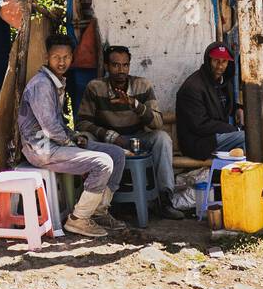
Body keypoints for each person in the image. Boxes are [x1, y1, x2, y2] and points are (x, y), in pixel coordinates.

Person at [18, 34, 128, 237]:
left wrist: (75, 136)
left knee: (116, 154)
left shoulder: (55, 82)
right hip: (42, 149)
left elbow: (58, 123)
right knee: (103, 163)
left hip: (56, 144)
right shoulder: (42, 85)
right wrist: (71, 143)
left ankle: (98, 210)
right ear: (46, 57)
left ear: (72, 58)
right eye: (56, 57)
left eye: (66, 57)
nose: (61, 62)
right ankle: (79, 219)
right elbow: (50, 127)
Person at [77, 45, 185, 220]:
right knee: (85, 139)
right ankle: (94, 201)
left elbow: (157, 123)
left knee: (163, 138)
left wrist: (134, 105)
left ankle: (164, 201)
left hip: (136, 139)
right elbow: (82, 123)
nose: (121, 70)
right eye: (115, 65)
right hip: (107, 141)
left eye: (125, 65)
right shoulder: (95, 87)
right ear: (106, 66)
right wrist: (110, 136)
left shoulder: (142, 85)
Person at [174, 42, 246, 160]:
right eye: (216, 61)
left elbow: (224, 105)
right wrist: (231, 130)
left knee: (247, 142)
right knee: (246, 138)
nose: (220, 66)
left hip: (217, 136)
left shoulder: (223, 82)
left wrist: (237, 109)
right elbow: (200, 125)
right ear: (208, 61)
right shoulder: (193, 87)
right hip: (199, 143)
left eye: (224, 61)